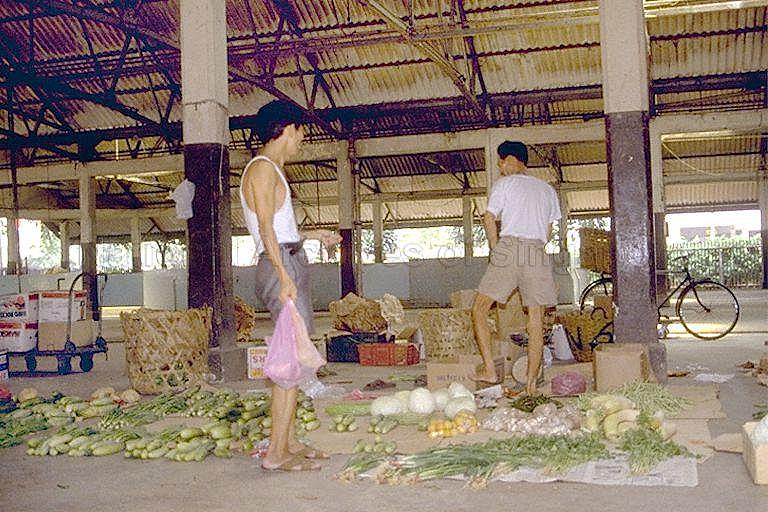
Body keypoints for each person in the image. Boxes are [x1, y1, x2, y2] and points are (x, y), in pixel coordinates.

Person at [240, 100, 341, 471]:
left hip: (287, 258)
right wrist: (284, 276)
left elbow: (279, 229)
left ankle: (289, 441)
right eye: (301, 132)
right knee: (290, 362)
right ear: (287, 128)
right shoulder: (263, 169)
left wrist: (312, 236)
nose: (302, 140)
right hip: (281, 266)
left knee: (295, 358)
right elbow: (265, 228)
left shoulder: (272, 169)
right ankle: (276, 453)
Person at [471, 141, 561, 395]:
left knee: (479, 309)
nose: (500, 168)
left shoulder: (505, 184)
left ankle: (490, 370)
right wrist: (534, 247)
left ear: (509, 159)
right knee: (535, 320)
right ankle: (531, 384)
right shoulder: (546, 189)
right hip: (536, 251)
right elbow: (549, 230)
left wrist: (495, 249)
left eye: (501, 162)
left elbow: (489, 217)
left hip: (509, 248)